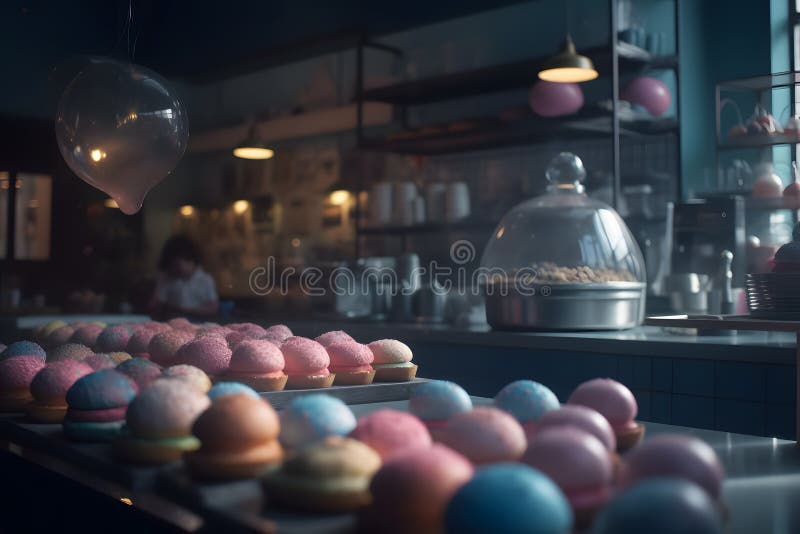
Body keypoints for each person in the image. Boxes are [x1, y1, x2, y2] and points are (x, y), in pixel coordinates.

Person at [150, 235, 219, 317]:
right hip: (172, 323)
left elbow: (213, 308)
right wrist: (161, 281)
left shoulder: (206, 280)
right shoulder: (169, 279)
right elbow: (155, 306)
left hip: (199, 323)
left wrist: (184, 310)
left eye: (177, 265)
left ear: (190, 260)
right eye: (171, 266)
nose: (174, 269)